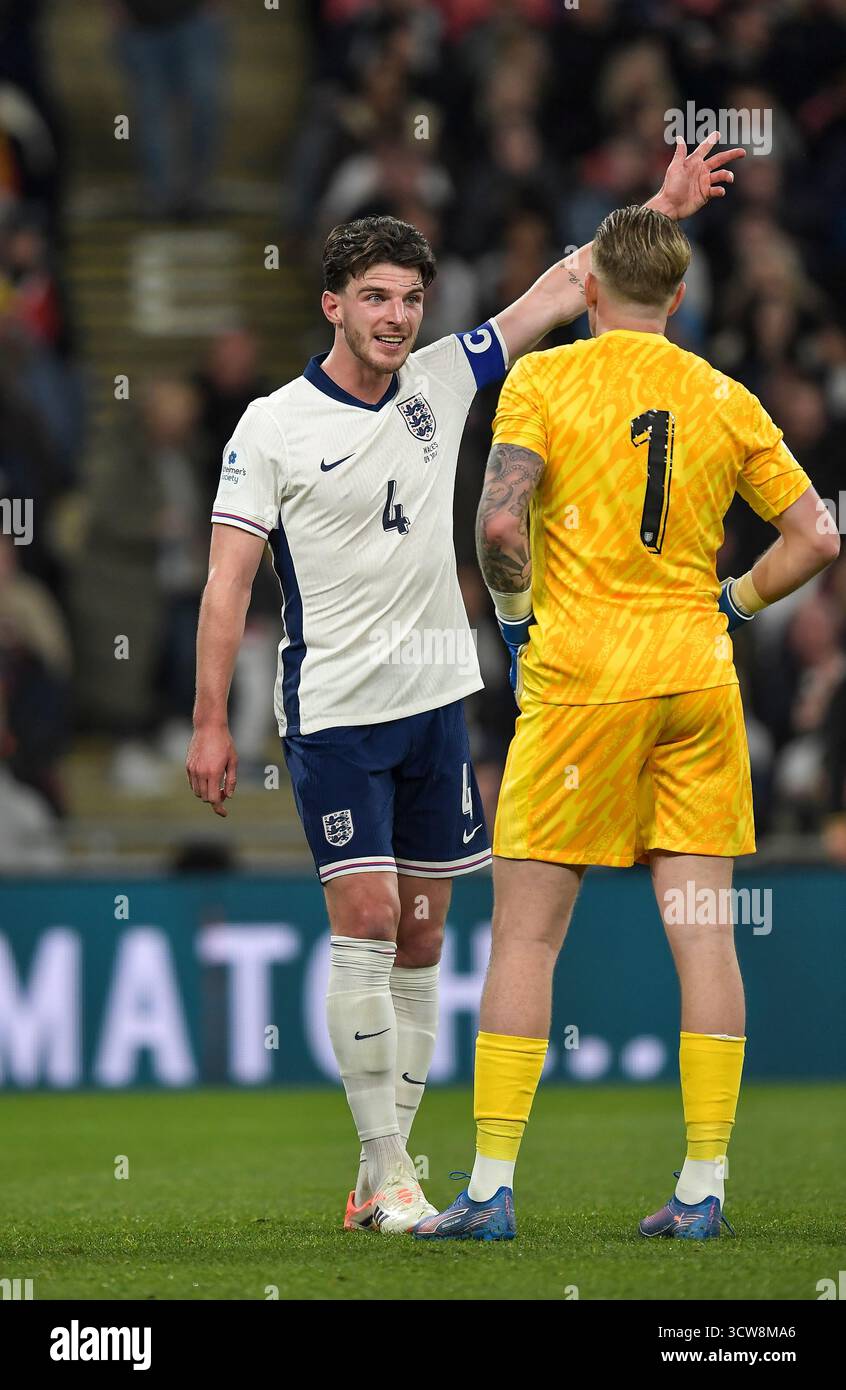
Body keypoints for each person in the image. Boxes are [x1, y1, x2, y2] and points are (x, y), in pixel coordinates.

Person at [186, 135, 745, 1235]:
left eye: (411, 299)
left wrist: (661, 208)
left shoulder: (443, 380)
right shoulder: (272, 428)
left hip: (440, 696)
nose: (397, 317)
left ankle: (380, 1171)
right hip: (335, 709)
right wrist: (211, 719)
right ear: (333, 306)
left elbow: (568, 285)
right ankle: (393, 1169)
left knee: (428, 936)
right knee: (371, 912)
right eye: (377, 298)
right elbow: (225, 582)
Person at [414, 203, 840, 1243]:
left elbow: (502, 518)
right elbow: (820, 537)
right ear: (680, 301)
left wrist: (515, 624)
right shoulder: (723, 393)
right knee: (704, 939)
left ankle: (492, 1187)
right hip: (695, 684)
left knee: (523, 935)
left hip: (578, 685)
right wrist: (734, 604)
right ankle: (703, 1186)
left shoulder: (546, 379)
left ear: (591, 291)